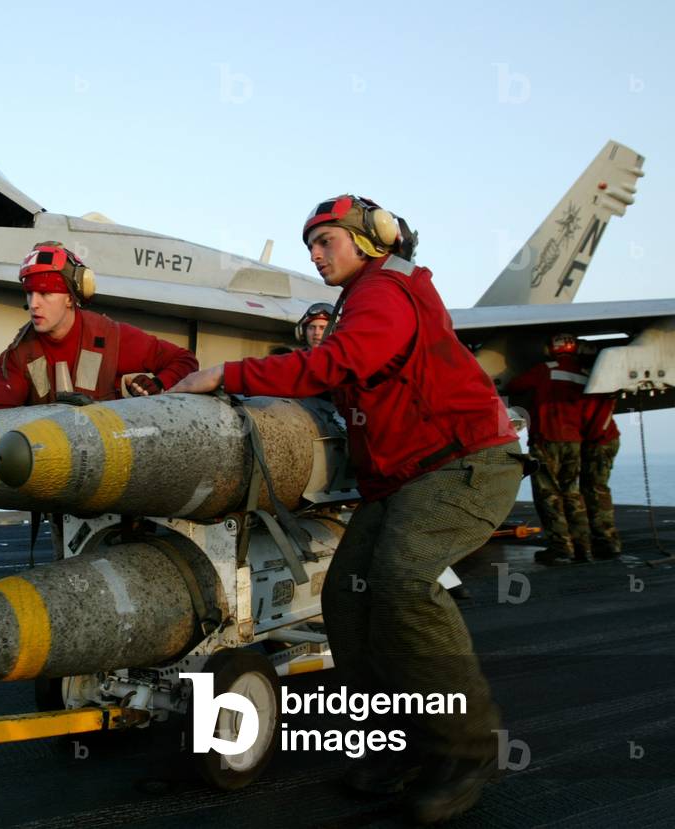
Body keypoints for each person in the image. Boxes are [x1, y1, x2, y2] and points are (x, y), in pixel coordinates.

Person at [170, 195, 524, 824]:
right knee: (349, 598)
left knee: (401, 586)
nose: (314, 252)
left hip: (464, 464)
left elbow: (341, 362)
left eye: (326, 240)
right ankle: (402, 745)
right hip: (403, 480)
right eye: (311, 243)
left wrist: (226, 373)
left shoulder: (386, 291)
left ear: (368, 240)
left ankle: (469, 749)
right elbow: (340, 375)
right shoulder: (358, 301)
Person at [0, 241, 198, 411]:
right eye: (30, 293)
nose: (34, 304)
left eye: (44, 293)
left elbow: (185, 360)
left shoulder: (109, 338)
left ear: (71, 298)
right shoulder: (20, 354)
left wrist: (158, 384)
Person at [507, 334, 593, 564]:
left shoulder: (546, 369)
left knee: (549, 496)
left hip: (547, 439)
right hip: (573, 441)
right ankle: (583, 547)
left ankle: (561, 549)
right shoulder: (583, 375)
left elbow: (515, 384)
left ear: (552, 349)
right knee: (573, 494)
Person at [581, 389, 622, 558]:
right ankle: (605, 538)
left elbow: (596, 423)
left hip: (599, 441)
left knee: (595, 490)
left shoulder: (594, 392)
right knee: (594, 488)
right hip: (602, 440)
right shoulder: (599, 389)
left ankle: (606, 539)